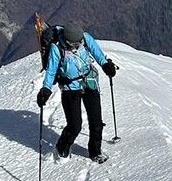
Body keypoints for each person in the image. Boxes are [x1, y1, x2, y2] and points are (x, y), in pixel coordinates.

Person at [36, 23, 117, 163]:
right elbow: (51, 70)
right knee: (75, 125)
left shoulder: (85, 38)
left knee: (96, 121)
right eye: (73, 44)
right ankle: (62, 147)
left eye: (78, 43)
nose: (76, 46)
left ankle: (95, 151)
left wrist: (105, 65)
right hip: (70, 87)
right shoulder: (57, 47)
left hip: (89, 81)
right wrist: (46, 89)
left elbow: (96, 52)